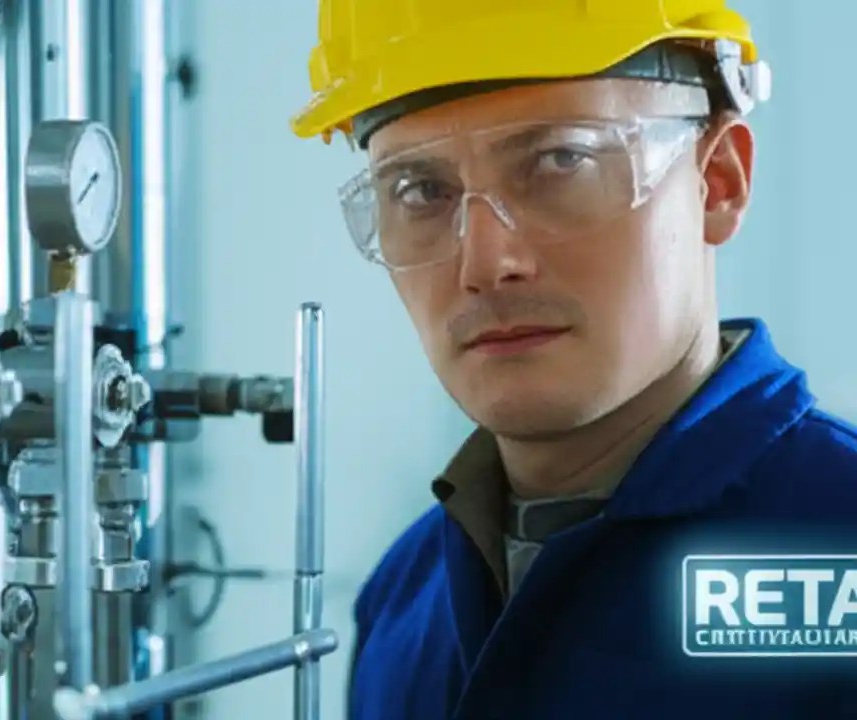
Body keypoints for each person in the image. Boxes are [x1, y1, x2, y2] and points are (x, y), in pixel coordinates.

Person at [290, 2, 857, 718]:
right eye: (421, 191)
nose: (487, 261)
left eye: (562, 161)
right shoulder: (404, 601)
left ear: (718, 182)